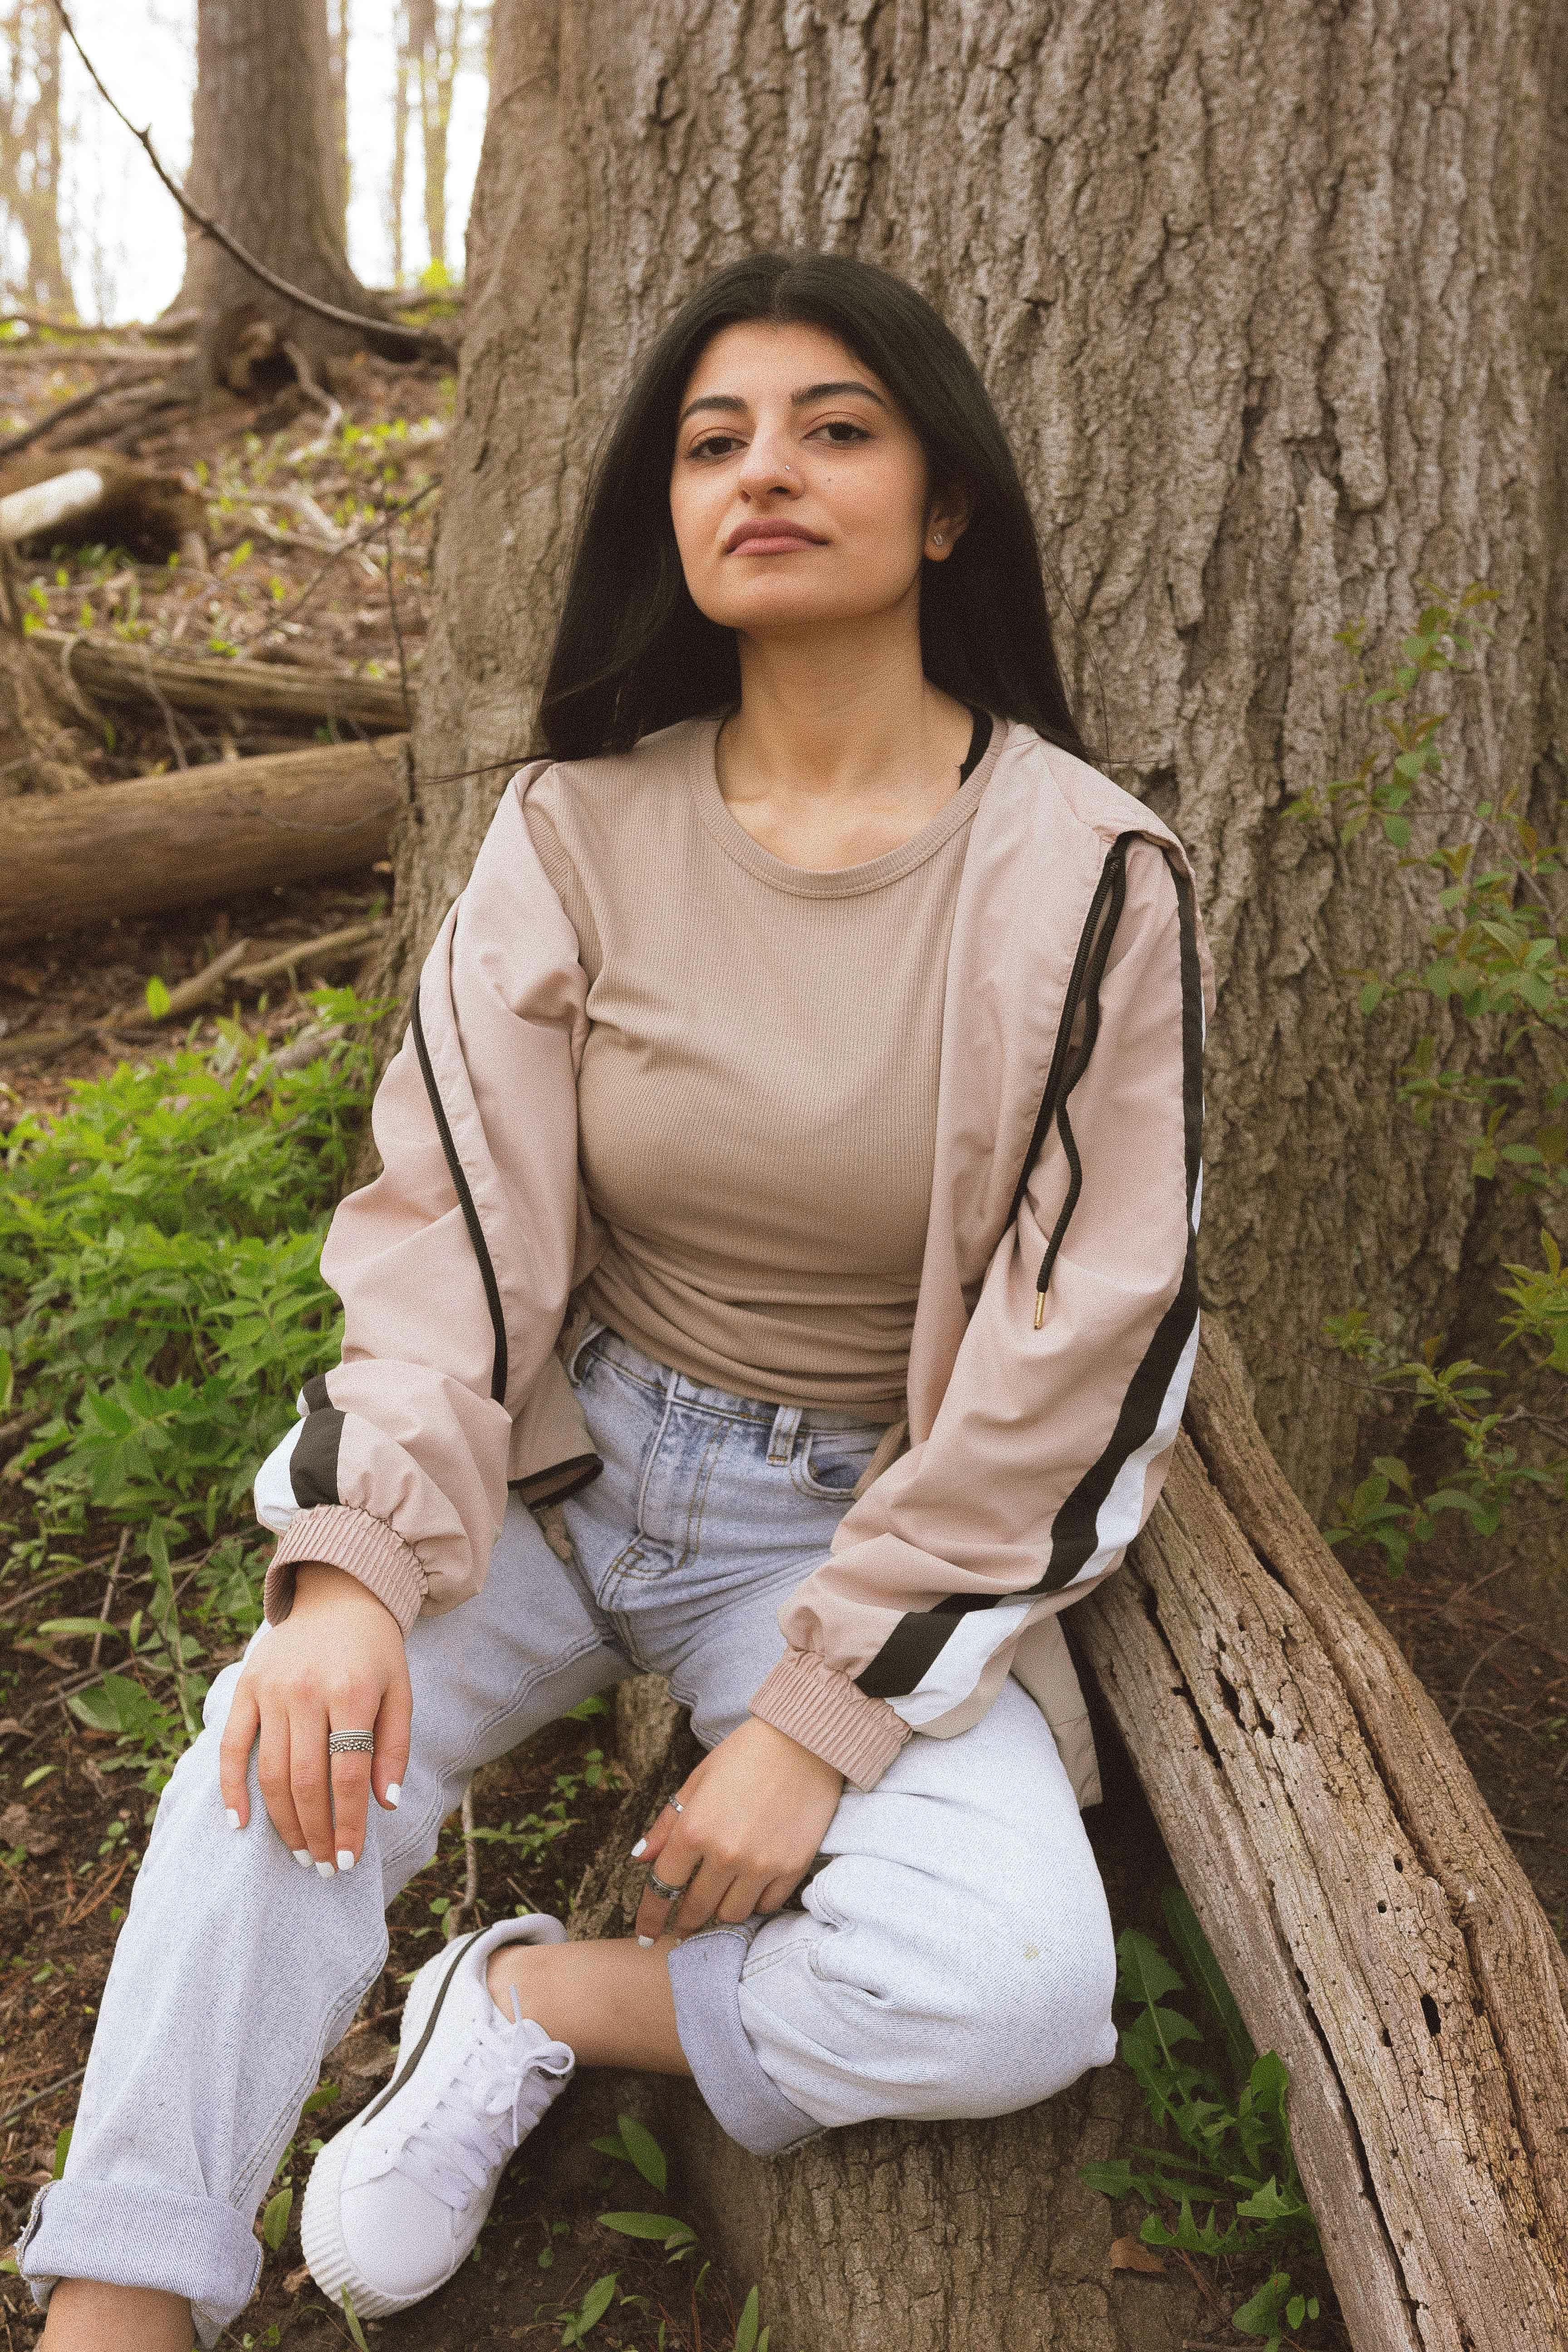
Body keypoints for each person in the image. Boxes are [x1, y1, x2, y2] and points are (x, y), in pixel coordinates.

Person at [22, 250, 1211, 2349]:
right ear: (669, 513)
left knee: (1013, 1987)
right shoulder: (574, 835)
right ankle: (120, 2302)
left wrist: (824, 1720)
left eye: (837, 430)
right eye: (713, 440)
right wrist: (358, 1568)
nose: (767, 472)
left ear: (947, 512)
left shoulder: (1088, 877)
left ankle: (531, 1997)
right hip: (568, 1468)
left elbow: (1084, 1351)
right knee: (268, 1752)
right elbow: (447, 1240)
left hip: (858, 1529)